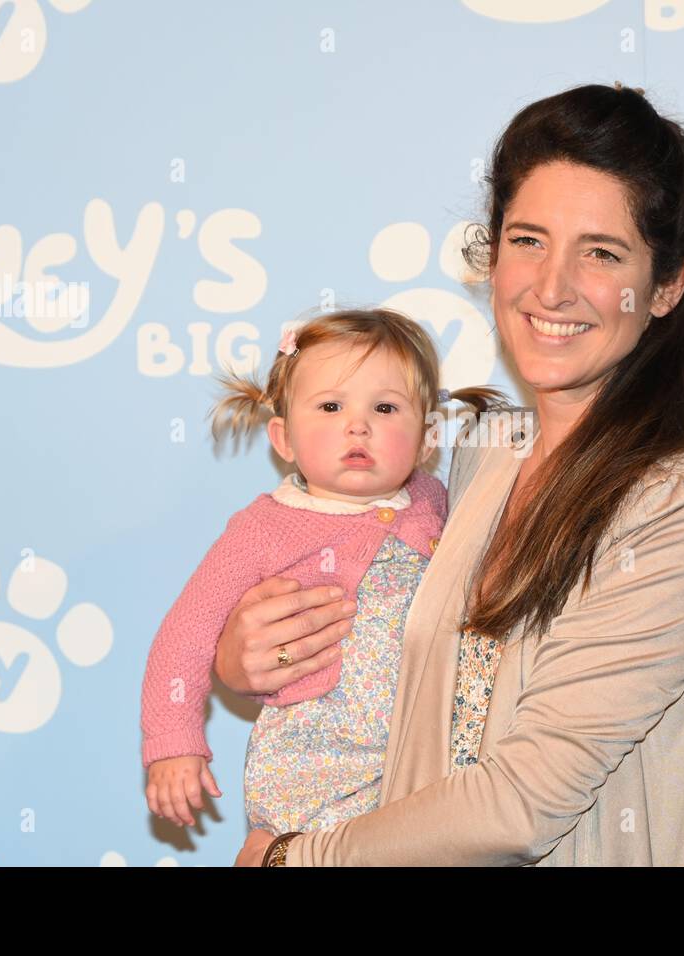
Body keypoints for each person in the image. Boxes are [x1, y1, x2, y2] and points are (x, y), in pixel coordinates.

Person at [221, 82, 684, 866]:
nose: (551, 286)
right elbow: (378, 673)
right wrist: (241, 655)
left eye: (601, 253)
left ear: (666, 287)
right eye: (528, 240)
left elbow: (525, 799)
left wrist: (300, 859)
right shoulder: (481, 454)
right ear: (490, 256)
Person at [139, 307, 502, 834]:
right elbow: (185, 636)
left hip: (423, 761)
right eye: (331, 406)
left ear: (426, 439)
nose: (358, 425)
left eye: (384, 407)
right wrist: (173, 746)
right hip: (314, 764)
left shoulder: (435, 502)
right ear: (284, 439)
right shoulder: (264, 528)